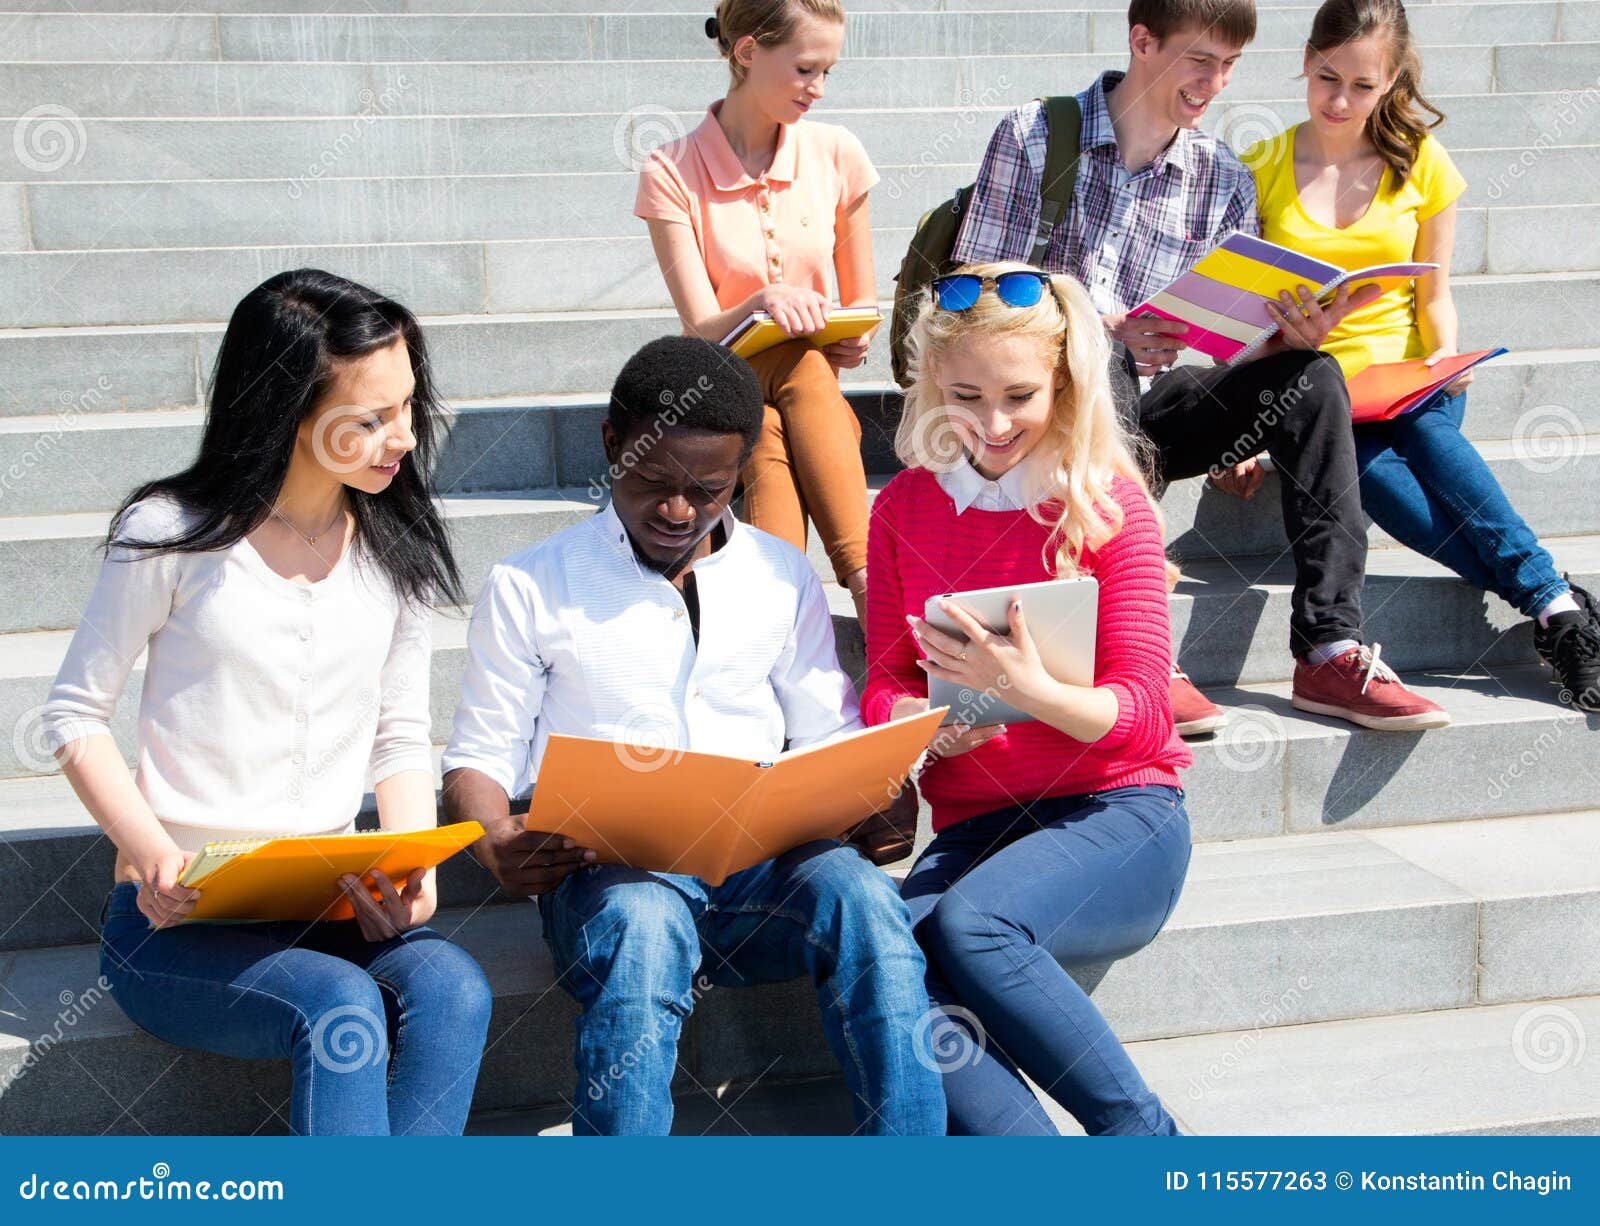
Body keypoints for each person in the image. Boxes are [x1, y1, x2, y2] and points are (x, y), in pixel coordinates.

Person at [440, 336, 945, 1137]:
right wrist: (495, 837)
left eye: (709, 490)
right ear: (613, 445)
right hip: (609, 883)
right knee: (644, 926)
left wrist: (874, 798)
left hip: (761, 880)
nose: (679, 511)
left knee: (864, 901)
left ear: (744, 468)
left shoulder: (780, 575)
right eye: (653, 483)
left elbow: (830, 732)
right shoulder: (532, 584)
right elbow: (477, 754)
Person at [42, 269, 492, 1136]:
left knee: (453, 988)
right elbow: (72, 715)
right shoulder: (168, 534)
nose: (401, 437)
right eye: (368, 420)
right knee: (340, 1007)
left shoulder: (390, 548)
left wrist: (413, 873)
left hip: (322, 901)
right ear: (285, 411)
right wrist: (152, 856)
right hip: (175, 920)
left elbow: (399, 735)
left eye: (405, 407)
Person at [952, 0, 1449, 733]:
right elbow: (974, 301)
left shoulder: (1221, 173)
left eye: (1228, 67)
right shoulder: (1033, 136)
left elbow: (1227, 342)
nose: (1214, 83)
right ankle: (1140, 644)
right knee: (1105, 350)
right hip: (1044, 407)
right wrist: (1104, 326)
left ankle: (1329, 646)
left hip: (1154, 413)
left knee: (1311, 376)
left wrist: (1287, 341)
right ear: (1142, 41)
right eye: (1199, 61)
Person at [865, 263, 1192, 1134]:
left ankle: (1144, 1141)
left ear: (1066, 384)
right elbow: (888, 679)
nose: (994, 422)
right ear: (934, 380)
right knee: (892, 958)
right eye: (967, 394)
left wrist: (1027, 689)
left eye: (1020, 395)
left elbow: (1145, 715)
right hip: (979, 822)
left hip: (1119, 814)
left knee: (972, 926)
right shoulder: (902, 507)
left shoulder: (1107, 506)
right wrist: (915, 728)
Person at [1243, 0, 1600, 711]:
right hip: (1316, 397)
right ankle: (1559, 605)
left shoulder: (1421, 162)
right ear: (1307, 60)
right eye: (1325, 77)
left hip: (1406, 382)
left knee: (1432, 431)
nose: (1340, 100)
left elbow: (1435, 295)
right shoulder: (1263, 165)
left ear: (1393, 79)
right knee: (1397, 498)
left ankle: (1559, 614)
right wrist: (1240, 429)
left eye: (1363, 85)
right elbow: (1245, 315)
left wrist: (1444, 359)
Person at [636, 0, 878, 623]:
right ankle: (871, 582)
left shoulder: (838, 153)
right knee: (792, 364)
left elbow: (862, 304)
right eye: (804, 69)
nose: (818, 89)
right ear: (747, 52)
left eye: (828, 72)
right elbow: (701, 328)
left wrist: (852, 339)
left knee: (769, 431)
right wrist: (762, 302)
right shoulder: (670, 169)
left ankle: (779, 619)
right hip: (715, 378)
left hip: (805, 391)